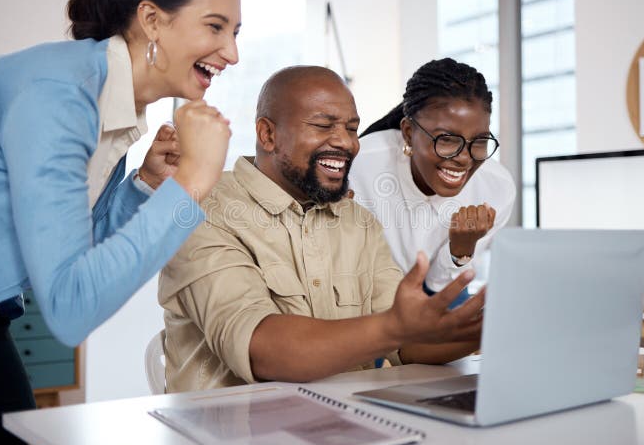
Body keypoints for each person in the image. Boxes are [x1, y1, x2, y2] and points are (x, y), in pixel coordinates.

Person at [0, 0, 239, 445]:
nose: (230, 53)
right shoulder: (58, 93)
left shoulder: (112, 106)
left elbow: (80, 250)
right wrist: (192, 184)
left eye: (235, 34)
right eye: (215, 27)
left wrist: (147, 183)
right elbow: (71, 308)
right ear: (151, 20)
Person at [158, 65, 485, 392]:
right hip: (229, 434)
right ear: (268, 134)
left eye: (352, 128)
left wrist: (486, 328)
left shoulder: (359, 223)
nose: (346, 142)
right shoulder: (199, 210)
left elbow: (406, 345)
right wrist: (394, 328)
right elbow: (260, 349)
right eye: (323, 125)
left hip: (346, 424)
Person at [350, 58, 516, 303]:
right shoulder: (360, 164)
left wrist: (461, 249)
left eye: (479, 141)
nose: (464, 158)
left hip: (440, 293)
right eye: (447, 139)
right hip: (368, 293)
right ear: (408, 133)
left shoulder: (496, 188)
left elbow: (439, 286)